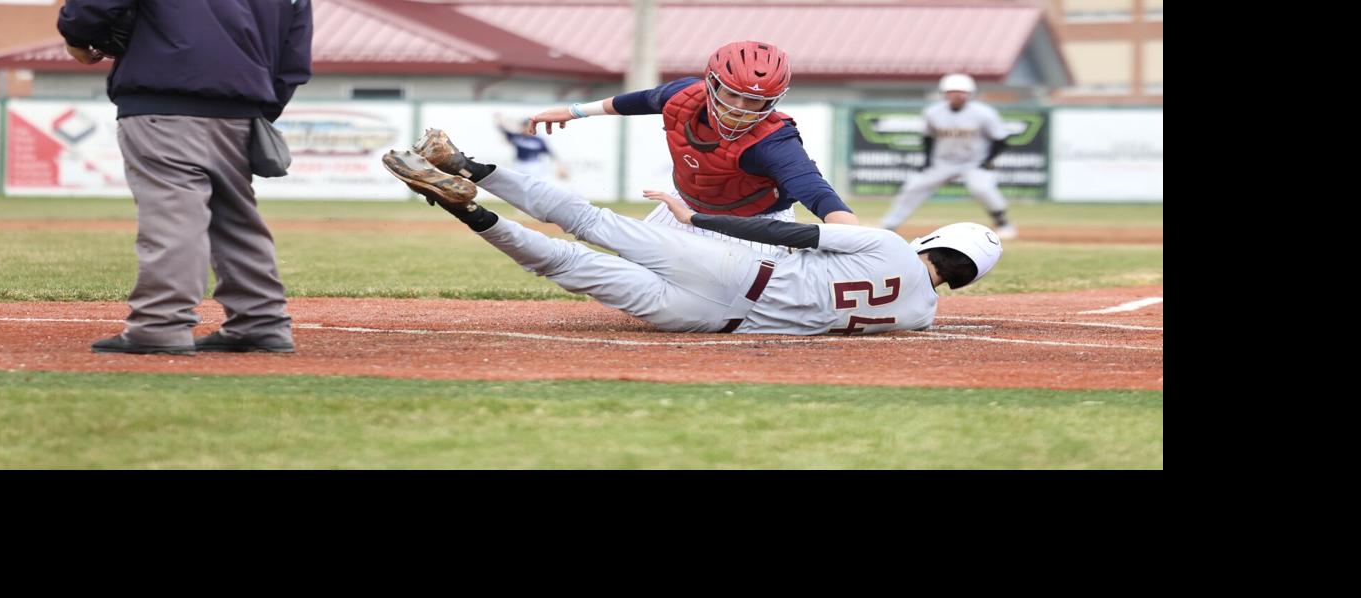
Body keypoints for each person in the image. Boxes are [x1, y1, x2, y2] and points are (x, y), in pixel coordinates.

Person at [383, 130, 999, 335]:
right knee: (563, 265)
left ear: (933, 241)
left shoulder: (892, 244)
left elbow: (786, 236)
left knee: (591, 222)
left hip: (738, 271)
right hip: (711, 321)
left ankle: (467, 169)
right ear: (963, 281)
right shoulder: (922, 316)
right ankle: (467, 210)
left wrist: (694, 217)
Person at [58, 0, 313, 354]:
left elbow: (91, 8)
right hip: (242, 108)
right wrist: (255, 107)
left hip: (163, 99)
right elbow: (293, 57)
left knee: (173, 216)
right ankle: (261, 323)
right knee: (236, 221)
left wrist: (77, 36)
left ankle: (160, 324)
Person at [522, 40, 859, 246]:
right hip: (680, 207)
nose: (740, 109)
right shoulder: (682, 96)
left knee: (727, 307)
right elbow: (639, 100)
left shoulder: (774, 140)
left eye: (754, 102)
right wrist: (575, 110)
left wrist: (855, 236)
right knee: (634, 282)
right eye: (732, 95)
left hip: (756, 224)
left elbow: (816, 192)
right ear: (712, 83)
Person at [879, 73, 1019, 239]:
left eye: (961, 92)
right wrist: (927, 161)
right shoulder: (933, 112)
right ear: (944, 93)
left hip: (974, 162)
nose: (957, 95)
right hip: (943, 161)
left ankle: (1004, 224)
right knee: (913, 187)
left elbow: (1001, 139)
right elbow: (928, 137)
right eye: (952, 91)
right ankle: (888, 226)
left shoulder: (983, 113)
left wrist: (988, 161)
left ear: (970, 94)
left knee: (982, 188)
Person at [495, 112, 569, 180]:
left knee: (535, 182)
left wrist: (560, 165)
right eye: (524, 126)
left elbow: (550, 153)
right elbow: (503, 130)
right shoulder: (517, 136)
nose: (526, 128)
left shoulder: (538, 140)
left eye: (528, 126)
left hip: (534, 164)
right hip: (520, 163)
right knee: (519, 182)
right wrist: (499, 119)